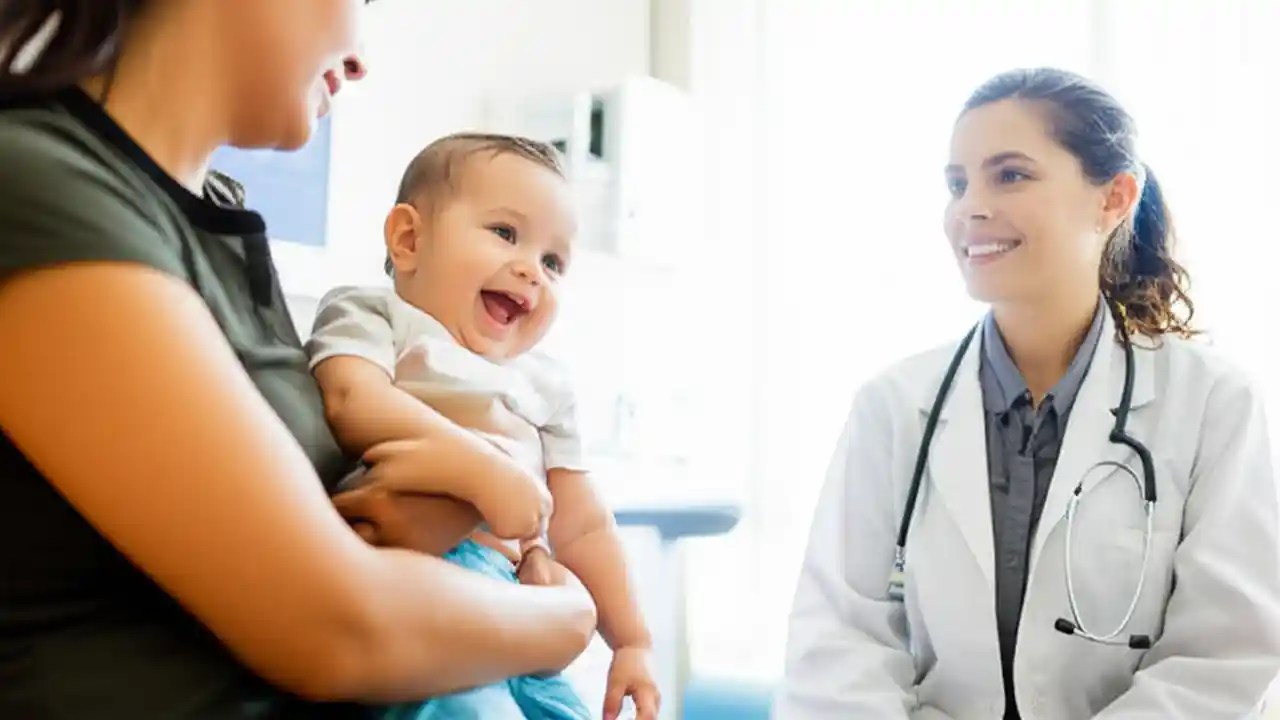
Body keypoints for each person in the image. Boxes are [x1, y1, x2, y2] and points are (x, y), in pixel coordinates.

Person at [0, 2, 602, 717]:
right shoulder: (39, 186)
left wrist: (437, 500)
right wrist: (566, 623)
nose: (359, 57)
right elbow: (337, 627)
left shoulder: (209, 216)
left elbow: (313, 536)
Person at [775, 67, 1280, 719]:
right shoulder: (894, 405)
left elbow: (1224, 655)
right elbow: (836, 641)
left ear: (1114, 198)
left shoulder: (1212, 401)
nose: (970, 207)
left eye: (1010, 174)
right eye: (958, 184)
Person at [307, 132, 660, 720]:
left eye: (554, 262)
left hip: (522, 600)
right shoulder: (378, 317)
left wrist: (633, 641)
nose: (533, 272)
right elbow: (351, 398)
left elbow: (584, 524)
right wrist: (483, 472)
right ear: (409, 239)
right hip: (425, 577)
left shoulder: (546, 383)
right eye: (505, 233)